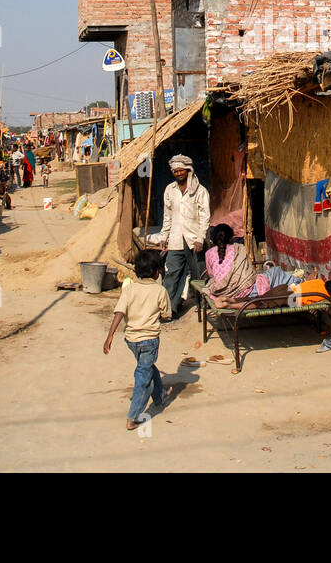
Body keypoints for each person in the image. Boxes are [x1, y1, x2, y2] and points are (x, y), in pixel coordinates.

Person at [103, 249, 172, 429]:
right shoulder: (160, 291)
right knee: (143, 378)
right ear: (157, 272)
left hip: (131, 340)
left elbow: (119, 312)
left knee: (146, 366)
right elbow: (166, 315)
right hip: (149, 340)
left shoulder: (129, 289)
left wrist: (110, 335)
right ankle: (132, 417)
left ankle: (160, 396)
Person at [160, 153, 210, 316]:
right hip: (175, 238)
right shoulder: (170, 190)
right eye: (175, 171)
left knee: (198, 274)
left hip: (194, 240)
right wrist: (164, 236)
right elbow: (167, 216)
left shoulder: (200, 191)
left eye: (181, 170)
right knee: (172, 273)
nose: (178, 173)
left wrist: (200, 238)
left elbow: (205, 216)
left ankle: (202, 306)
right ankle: (169, 308)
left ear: (188, 170)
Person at [202, 223, 259, 302]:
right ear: (231, 237)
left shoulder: (208, 253)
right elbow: (249, 272)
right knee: (273, 273)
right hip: (242, 293)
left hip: (219, 293)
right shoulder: (239, 249)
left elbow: (211, 275)